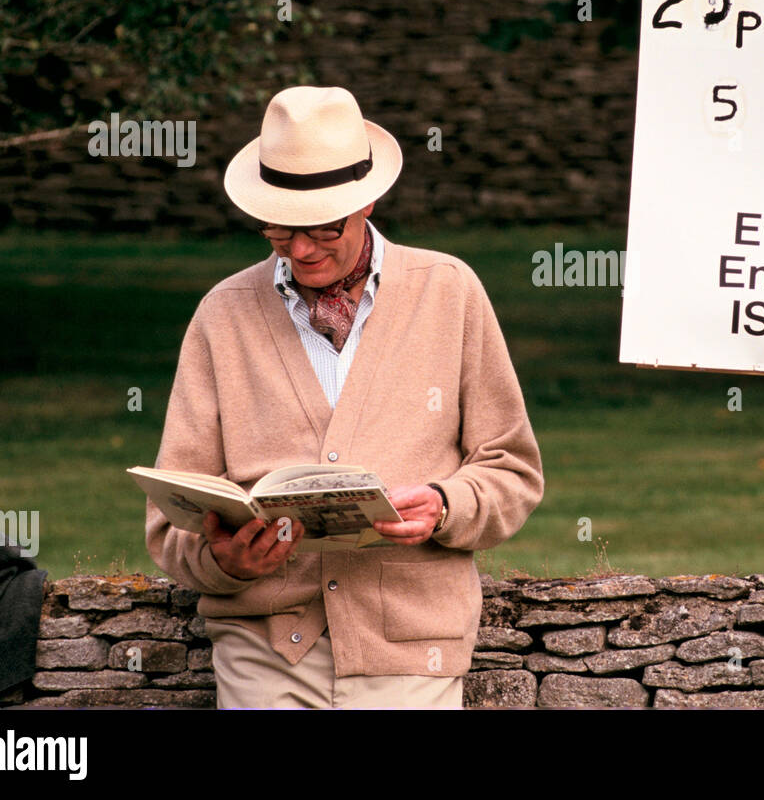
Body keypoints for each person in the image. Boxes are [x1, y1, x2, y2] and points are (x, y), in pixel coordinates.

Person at [145, 85, 544, 708]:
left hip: (412, 646)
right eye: (279, 231)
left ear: (368, 201)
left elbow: (512, 471)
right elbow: (172, 510)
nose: (300, 250)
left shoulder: (450, 292)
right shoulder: (222, 315)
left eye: (322, 229)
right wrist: (226, 562)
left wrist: (445, 504)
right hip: (266, 647)